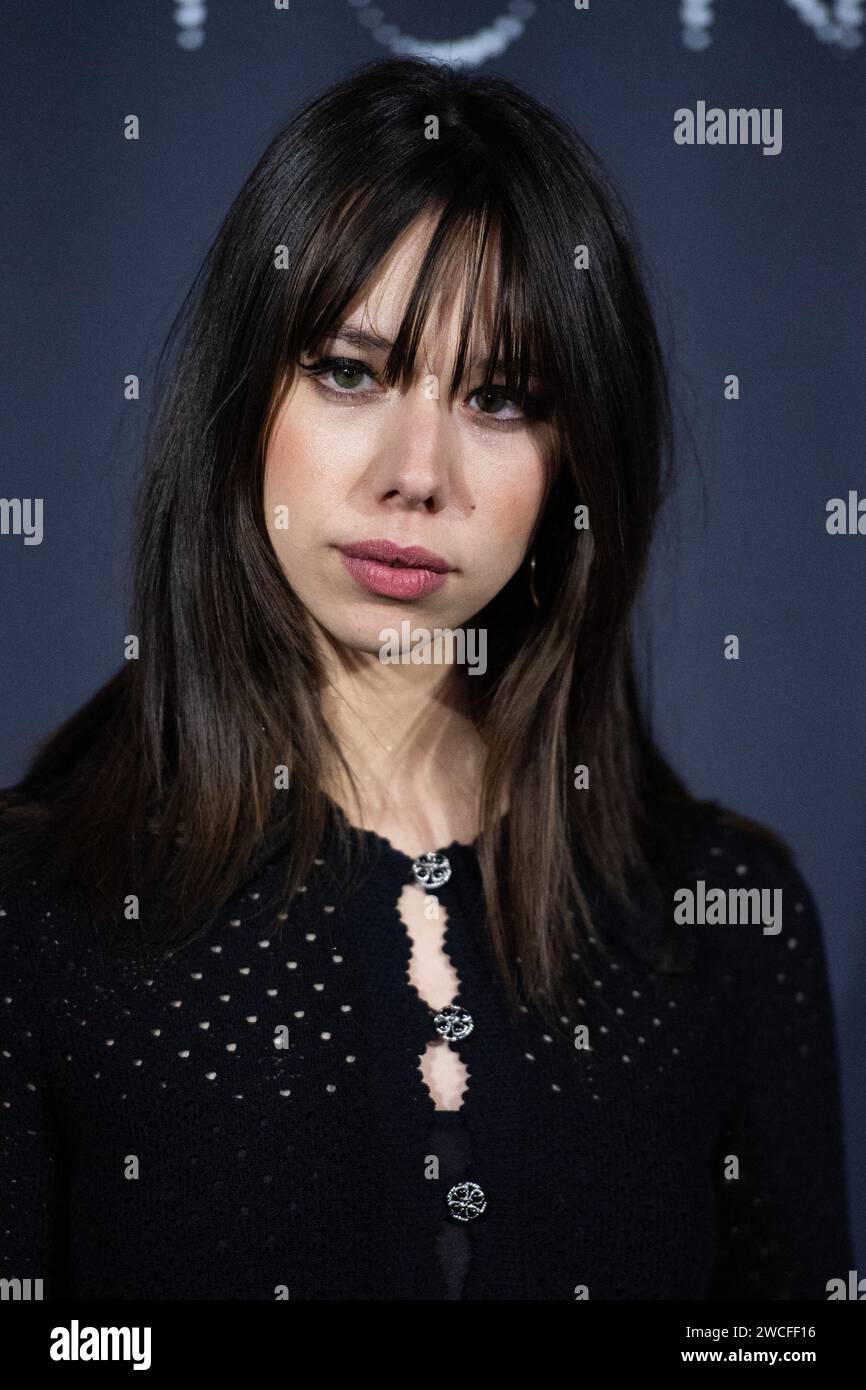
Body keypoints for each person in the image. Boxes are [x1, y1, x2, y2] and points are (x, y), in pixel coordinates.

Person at [0, 57, 852, 1300]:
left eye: (501, 399)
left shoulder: (726, 923)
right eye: (350, 371)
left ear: (576, 464)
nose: (416, 470)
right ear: (245, 400)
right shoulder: (40, 912)